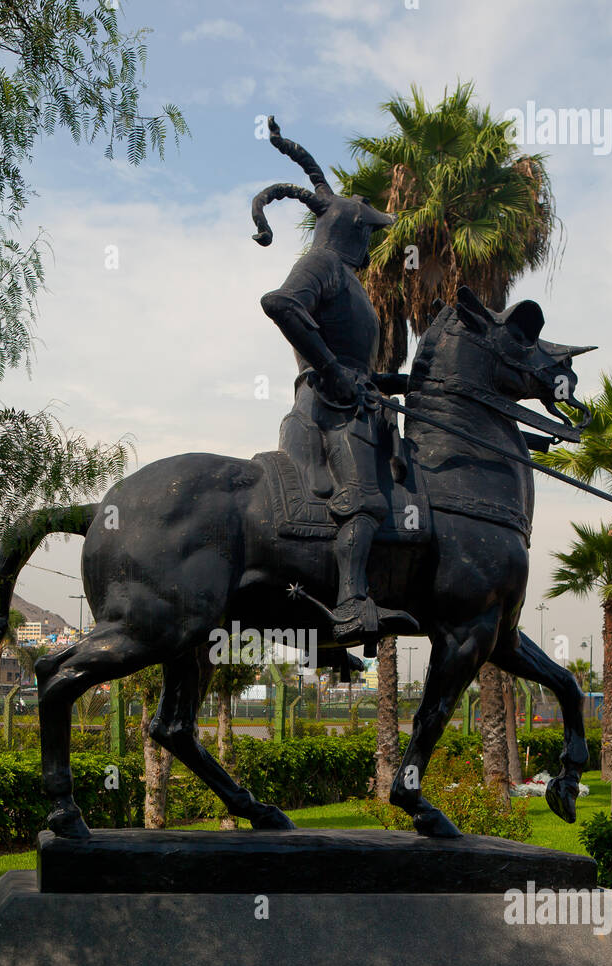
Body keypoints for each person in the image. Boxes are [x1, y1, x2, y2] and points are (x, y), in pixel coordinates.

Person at [254, 117, 415, 646]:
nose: (372, 241)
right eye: (369, 231)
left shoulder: (349, 280)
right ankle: (349, 604)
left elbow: (356, 365)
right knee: (363, 497)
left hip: (353, 401)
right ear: (352, 229)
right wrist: (332, 372)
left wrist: (397, 384)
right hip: (327, 409)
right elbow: (280, 304)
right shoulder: (322, 262)